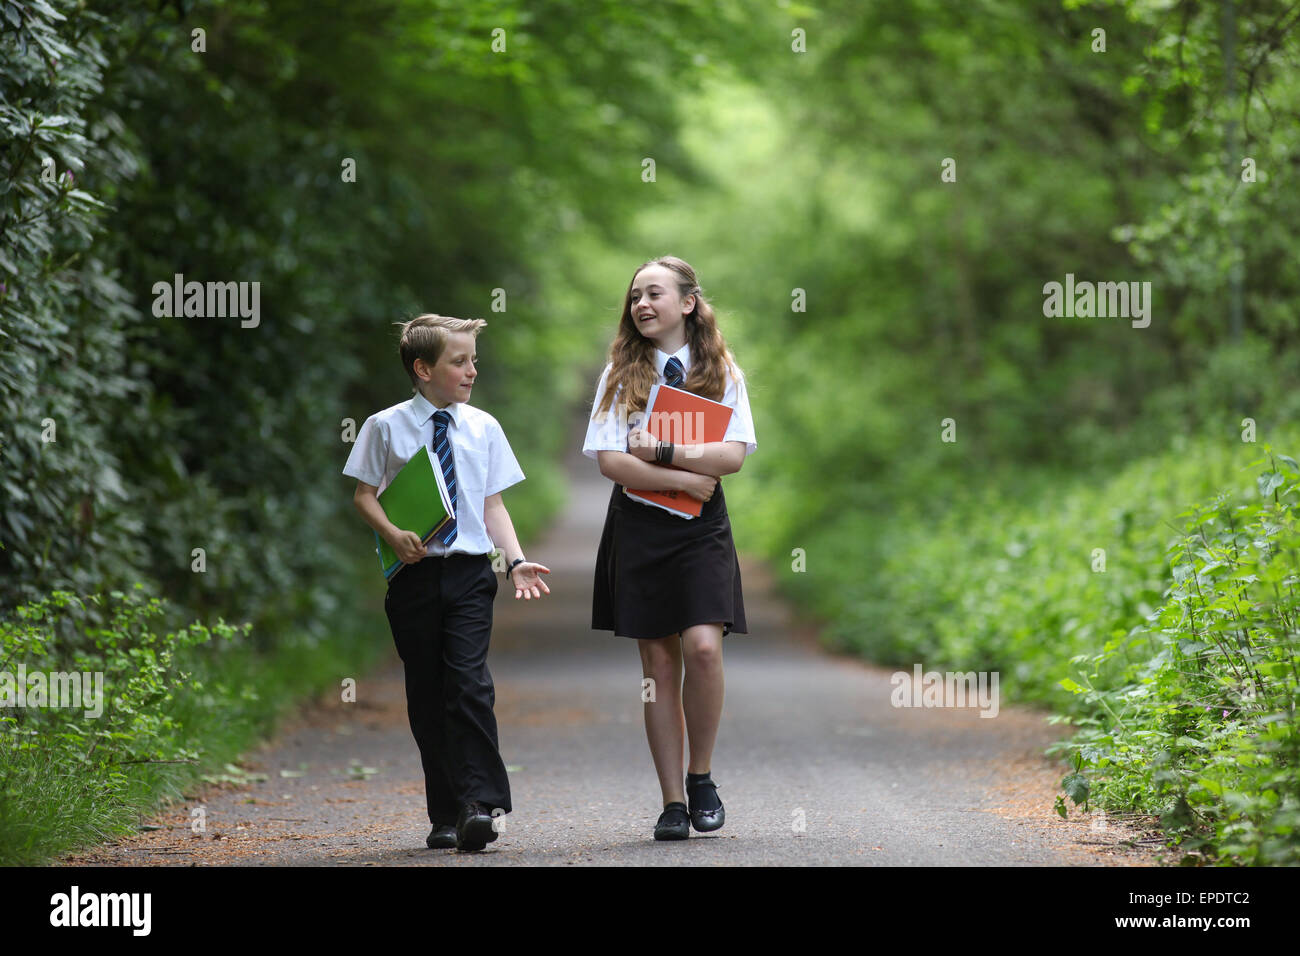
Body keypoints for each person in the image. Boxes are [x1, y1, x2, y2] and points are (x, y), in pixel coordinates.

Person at [343, 313, 551, 852]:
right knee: (428, 692)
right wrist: (392, 534)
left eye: (473, 360)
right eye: (459, 361)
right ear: (422, 368)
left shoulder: (484, 427)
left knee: (469, 684)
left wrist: (516, 560)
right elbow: (364, 496)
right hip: (412, 576)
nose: (471, 370)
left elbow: (492, 504)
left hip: (469, 573)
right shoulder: (384, 426)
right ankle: (445, 812)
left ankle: (480, 805)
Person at [583, 256, 757, 841]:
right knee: (658, 663)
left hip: (702, 528)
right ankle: (673, 802)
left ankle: (702, 775)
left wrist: (659, 451)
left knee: (704, 649)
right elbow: (611, 462)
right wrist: (684, 475)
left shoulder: (721, 371)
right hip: (640, 526)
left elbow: (731, 456)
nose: (641, 305)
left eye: (653, 293)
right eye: (634, 296)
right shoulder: (619, 375)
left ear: (687, 302)